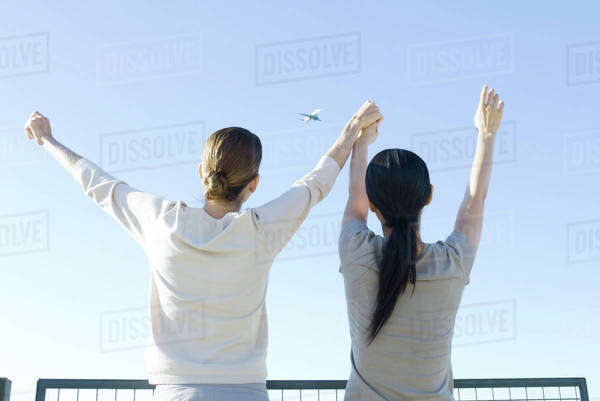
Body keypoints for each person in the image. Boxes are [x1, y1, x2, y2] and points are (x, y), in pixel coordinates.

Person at [24, 101, 382, 401]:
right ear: (254, 183)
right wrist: (353, 131)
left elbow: (97, 184)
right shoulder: (262, 230)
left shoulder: (161, 223)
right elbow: (317, 182)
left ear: (201, 172)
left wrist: (48, 140)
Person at [339, 85, 505, 401]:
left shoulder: (356, 253)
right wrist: (486, 134)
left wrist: (362, 140)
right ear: (429, 195)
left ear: (372, 203)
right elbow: (475, 199)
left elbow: (353, 197)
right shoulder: (452, 263)